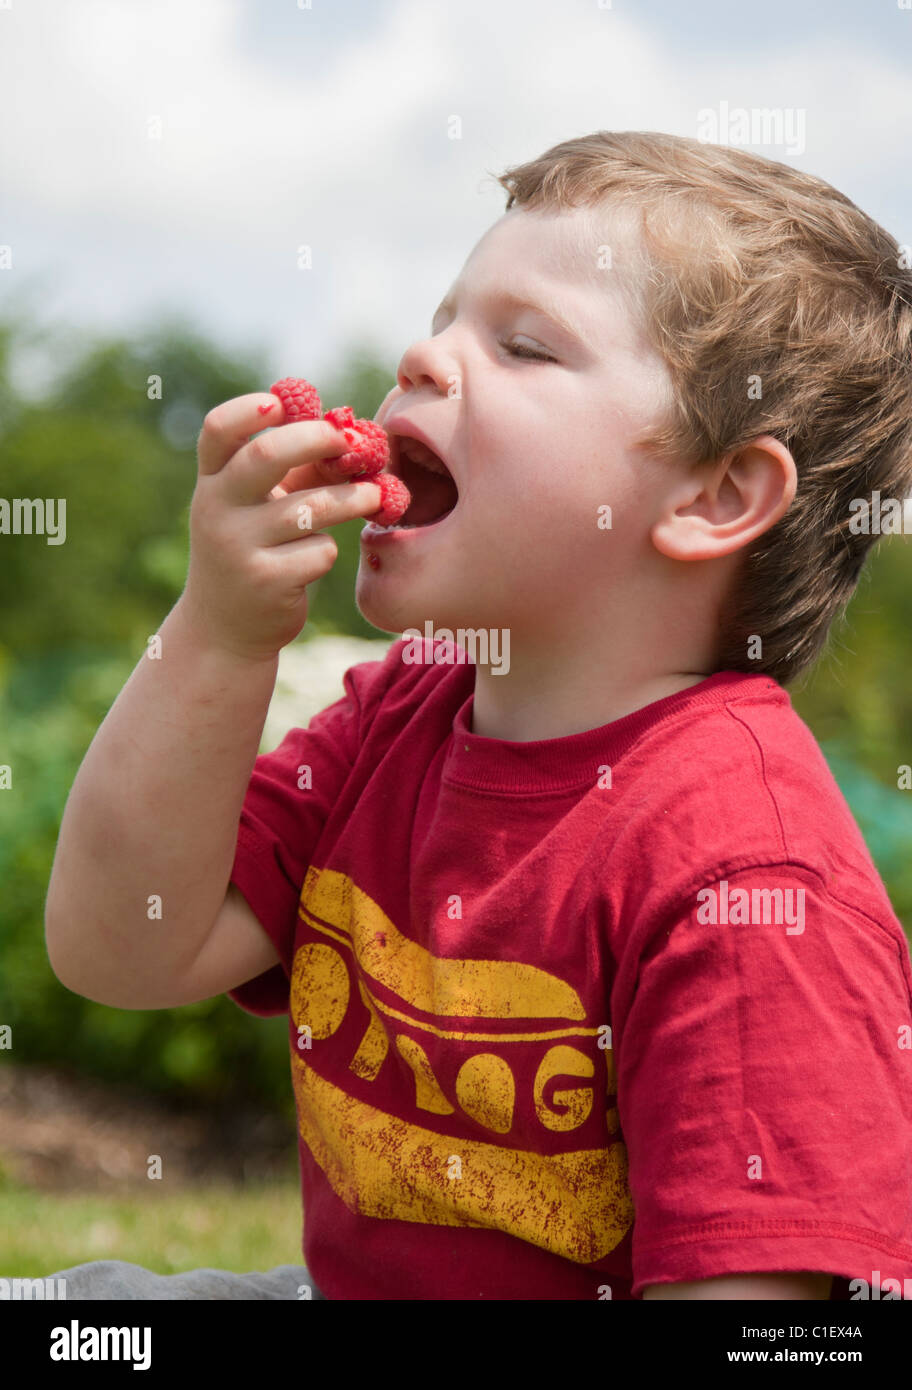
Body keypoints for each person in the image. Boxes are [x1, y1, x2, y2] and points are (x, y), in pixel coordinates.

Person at [44, 130, 912, 1300]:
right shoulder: (405, 712)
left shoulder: (748, 875)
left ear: (716, 498)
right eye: (444, 317)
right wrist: (218, 629)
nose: (423, 354)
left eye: (524, 345)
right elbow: (121, 947)